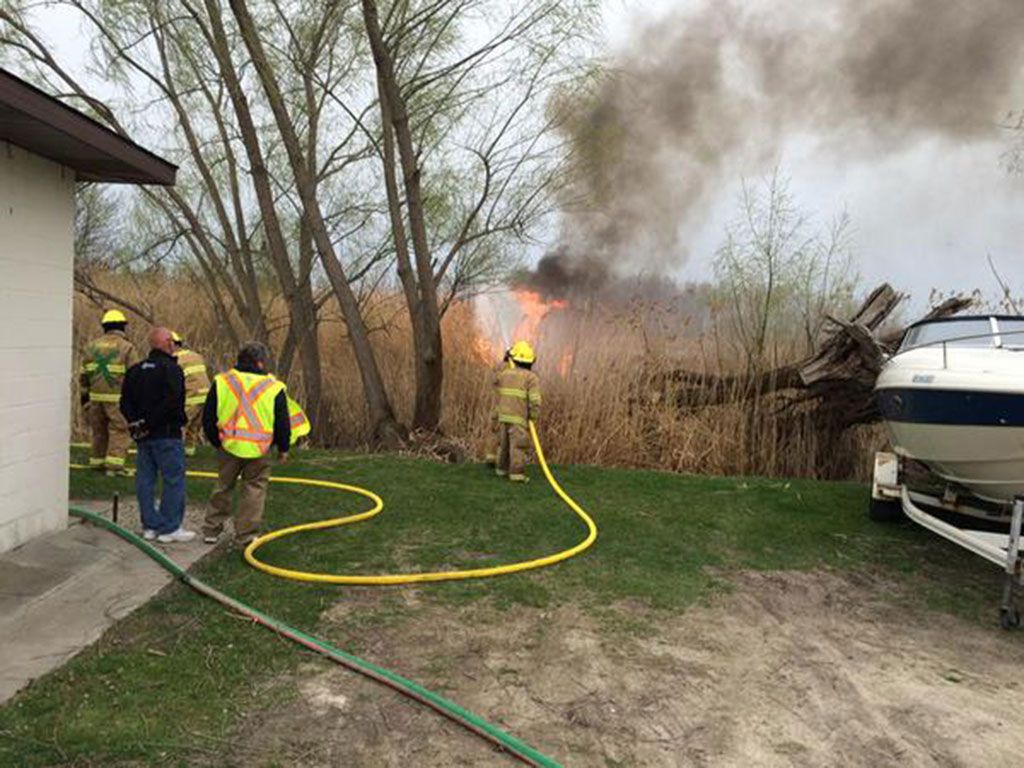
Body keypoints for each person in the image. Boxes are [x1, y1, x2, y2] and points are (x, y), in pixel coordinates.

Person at [201, 342, 290, 547]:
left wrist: (217, 441)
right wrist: (283, 448)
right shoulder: (273, 387)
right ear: (260, 362)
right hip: (260, 448)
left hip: (228, 444)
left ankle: (211, 529)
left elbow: (209, 416)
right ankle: (246, 535)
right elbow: (282, 421)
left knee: (223, 486)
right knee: (254, 489)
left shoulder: (222, 381)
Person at [120, 327, 196, 543]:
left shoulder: (135, 371)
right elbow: (172, 402)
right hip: (166, 433)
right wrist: (151, 423)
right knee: (173, 479)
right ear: (169, 343)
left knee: (145, 479)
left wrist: (136, 424)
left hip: (143, 437)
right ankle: (170, 527)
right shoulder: (171, 369)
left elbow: (124, 402)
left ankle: (150, 525)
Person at [79, 309, 137, 475]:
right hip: (117, 399)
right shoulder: (127, 347)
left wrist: (85, 399)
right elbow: (134, 375)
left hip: (95, 398)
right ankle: (114, 466)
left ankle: (97, 462)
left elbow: (84, 376)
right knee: (120, 430)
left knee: (99, 431)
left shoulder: (91, 347)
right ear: (122, 327)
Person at [495, 340, 542, 483]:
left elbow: (495, 380)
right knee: (518, 446)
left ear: (513, 359)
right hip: (519, 419)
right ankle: (517, 475)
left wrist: (505, 360)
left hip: (503, 417)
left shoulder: (504, 374)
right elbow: (535, 401)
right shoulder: (531, 378)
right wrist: (533, 417)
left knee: (503, 445)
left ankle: (501, 470)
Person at [171, 331, 210, 456]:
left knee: (180, 424)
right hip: (206, 396)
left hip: (191, 397)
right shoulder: (196, 356)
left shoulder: (174, 359)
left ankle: (176, 452)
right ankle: (189, 451)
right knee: (194, 426)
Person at [484, 347, 513, 466]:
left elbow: (494, 381)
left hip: (497, 407)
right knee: (504, 438)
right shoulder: (513, 371)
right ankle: (502, 463)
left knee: (494, 432)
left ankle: (490, 458)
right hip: (509, 409)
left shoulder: (498, 367)